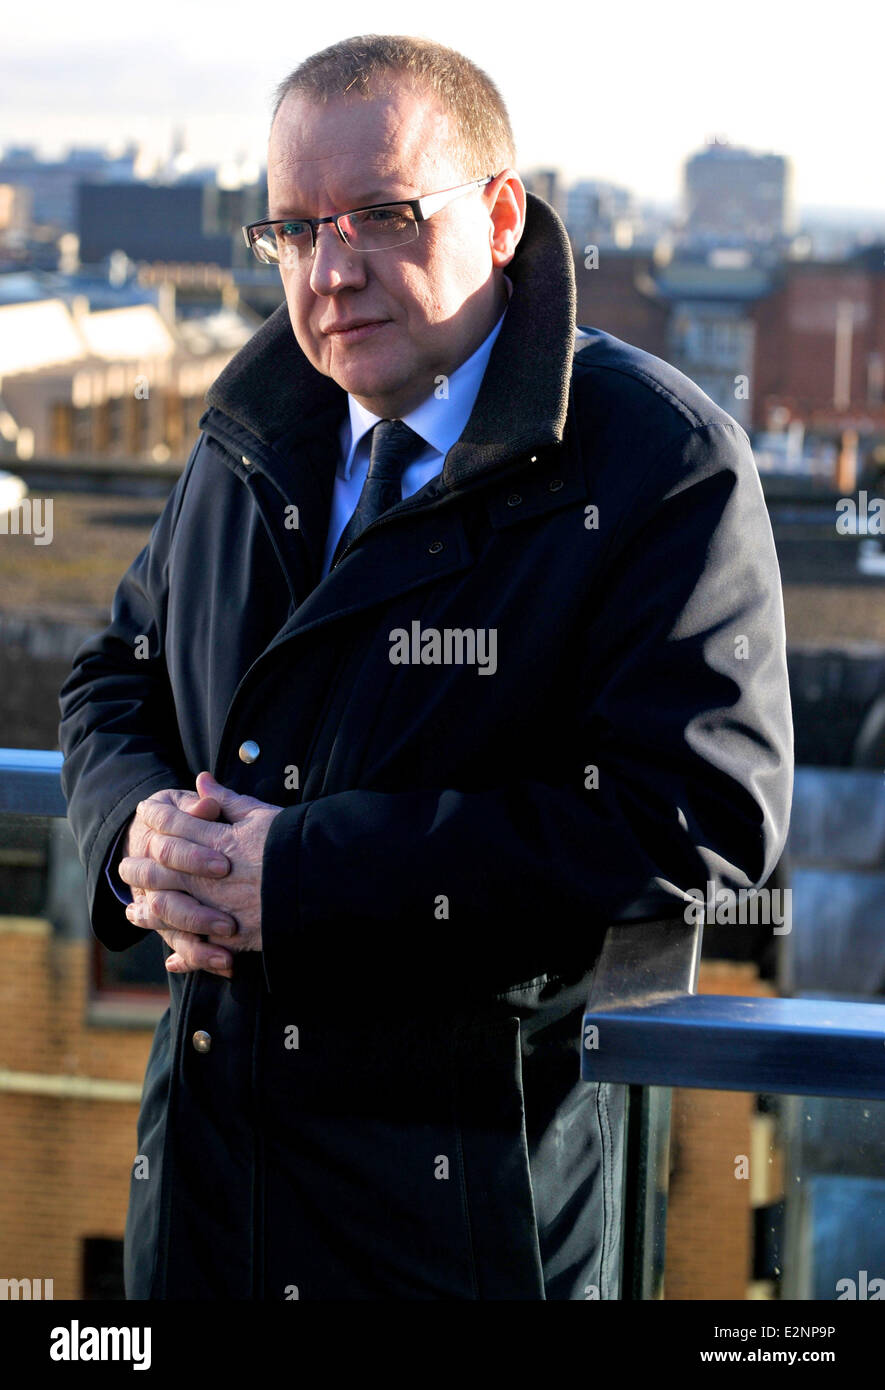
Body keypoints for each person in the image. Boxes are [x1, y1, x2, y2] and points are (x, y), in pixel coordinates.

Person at [58, 33, 794, 1300]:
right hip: (201, 1202)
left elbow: (701, 814)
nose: (333, 271)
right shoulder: (253, 427)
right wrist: (135, 832)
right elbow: (113, 675)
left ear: (502, 215)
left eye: (385, 216)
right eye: (295, 230)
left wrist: (303, 877)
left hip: (456, 1222)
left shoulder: (656, 461)